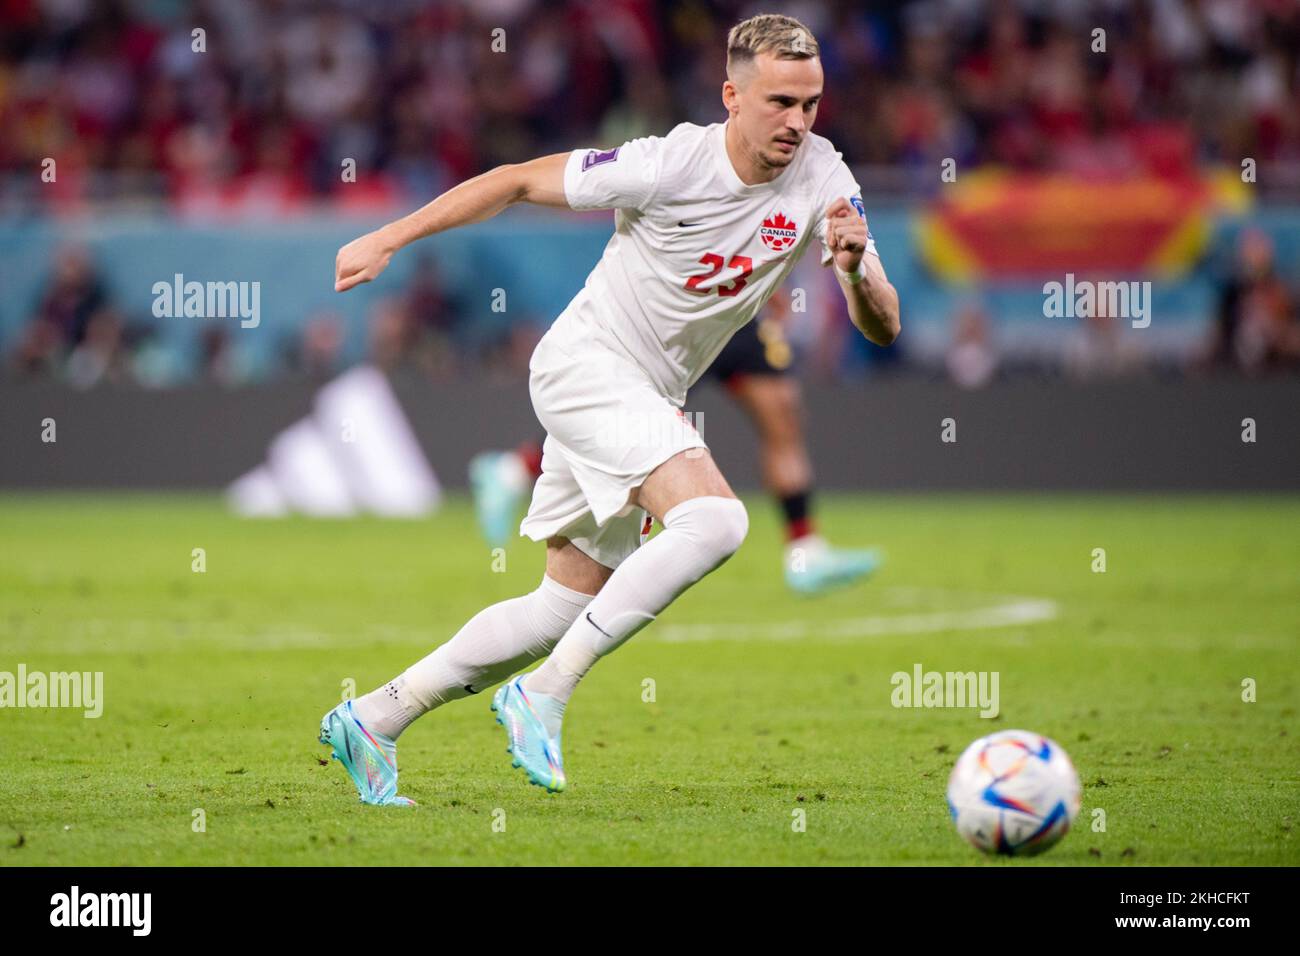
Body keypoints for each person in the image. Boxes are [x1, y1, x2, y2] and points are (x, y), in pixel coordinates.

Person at [320, 14, 900, 804]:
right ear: (733, 96)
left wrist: (858, 267)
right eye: (779, 103)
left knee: (563, 602)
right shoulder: (664, 165)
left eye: (811, 103)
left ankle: (374, 718)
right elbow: (517, 179)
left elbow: (884, 323)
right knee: (718, 521)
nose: (797, 122)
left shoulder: (826, 179)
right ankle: (544, 695)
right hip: (585, 367)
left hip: (648, 395)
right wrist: (391, 236)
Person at [470, 290, 884, 596]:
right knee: (622, 414)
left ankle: (804, 549)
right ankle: (512, 469)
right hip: (691, 312)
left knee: (784, 417)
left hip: (745, 317)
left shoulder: (791, 180)